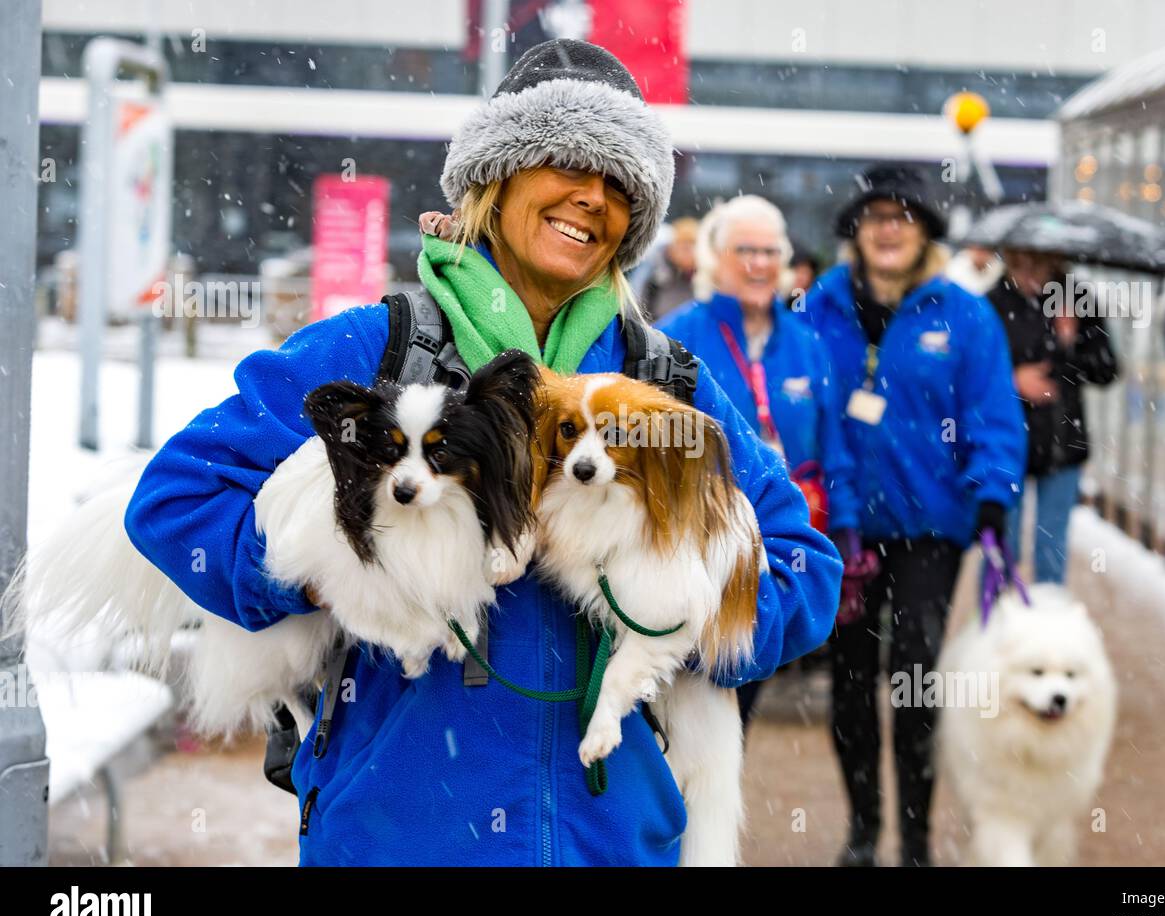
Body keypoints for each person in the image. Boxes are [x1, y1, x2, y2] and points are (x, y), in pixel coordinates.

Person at [123, 39, 841, 866]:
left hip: (607, 836)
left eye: (621, 182)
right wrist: (333, 564)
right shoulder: (382, 350)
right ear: (494, 177)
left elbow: (802, 569)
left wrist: (682, 596)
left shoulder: (662, 382)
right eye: (566, 161)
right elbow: (177, 501)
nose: (591, 197)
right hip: (400, 830)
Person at [804, 163, 1025, 866]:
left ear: (925, 231)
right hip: (842, 527)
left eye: (902, 217)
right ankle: (865, 830)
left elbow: (994, 414)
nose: (888, 229)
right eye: (875, 218)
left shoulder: (964, 314)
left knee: (917, 677)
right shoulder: (817, 307)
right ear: (857, 233)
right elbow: (794, 399)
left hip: (934, 525)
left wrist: (991, 494)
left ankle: (917, 840)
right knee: (847, 684)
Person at [658, 195, 861, 727]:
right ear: (713, 257)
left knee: (741, 683)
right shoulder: (676, 336)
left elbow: (832, 442)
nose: (759, 263)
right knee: (684, 693)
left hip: (780, 535)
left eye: (771, 251)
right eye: (744, 249)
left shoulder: (805, 343)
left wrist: (846, 525)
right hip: (701, 538)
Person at [984, 248, 1119, 583]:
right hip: (1004, 443)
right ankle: (997, 622)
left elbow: (1107, 370)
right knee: (1002, 545)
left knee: (1051, 546)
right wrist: (1012, 381)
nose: (1031, 272)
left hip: (1062, 440)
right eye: (1022, 262)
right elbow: (971, 372)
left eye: (1041, 263)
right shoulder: (990, 303)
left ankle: (1048, 625)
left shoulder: (1076, 299)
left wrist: (1069, 344)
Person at [639, 217, 698, 320]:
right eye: (684, 248)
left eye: (692, 248)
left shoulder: (702, 278)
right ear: (673, 247)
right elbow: (640, 308)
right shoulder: (657, 274)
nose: (689, 254)